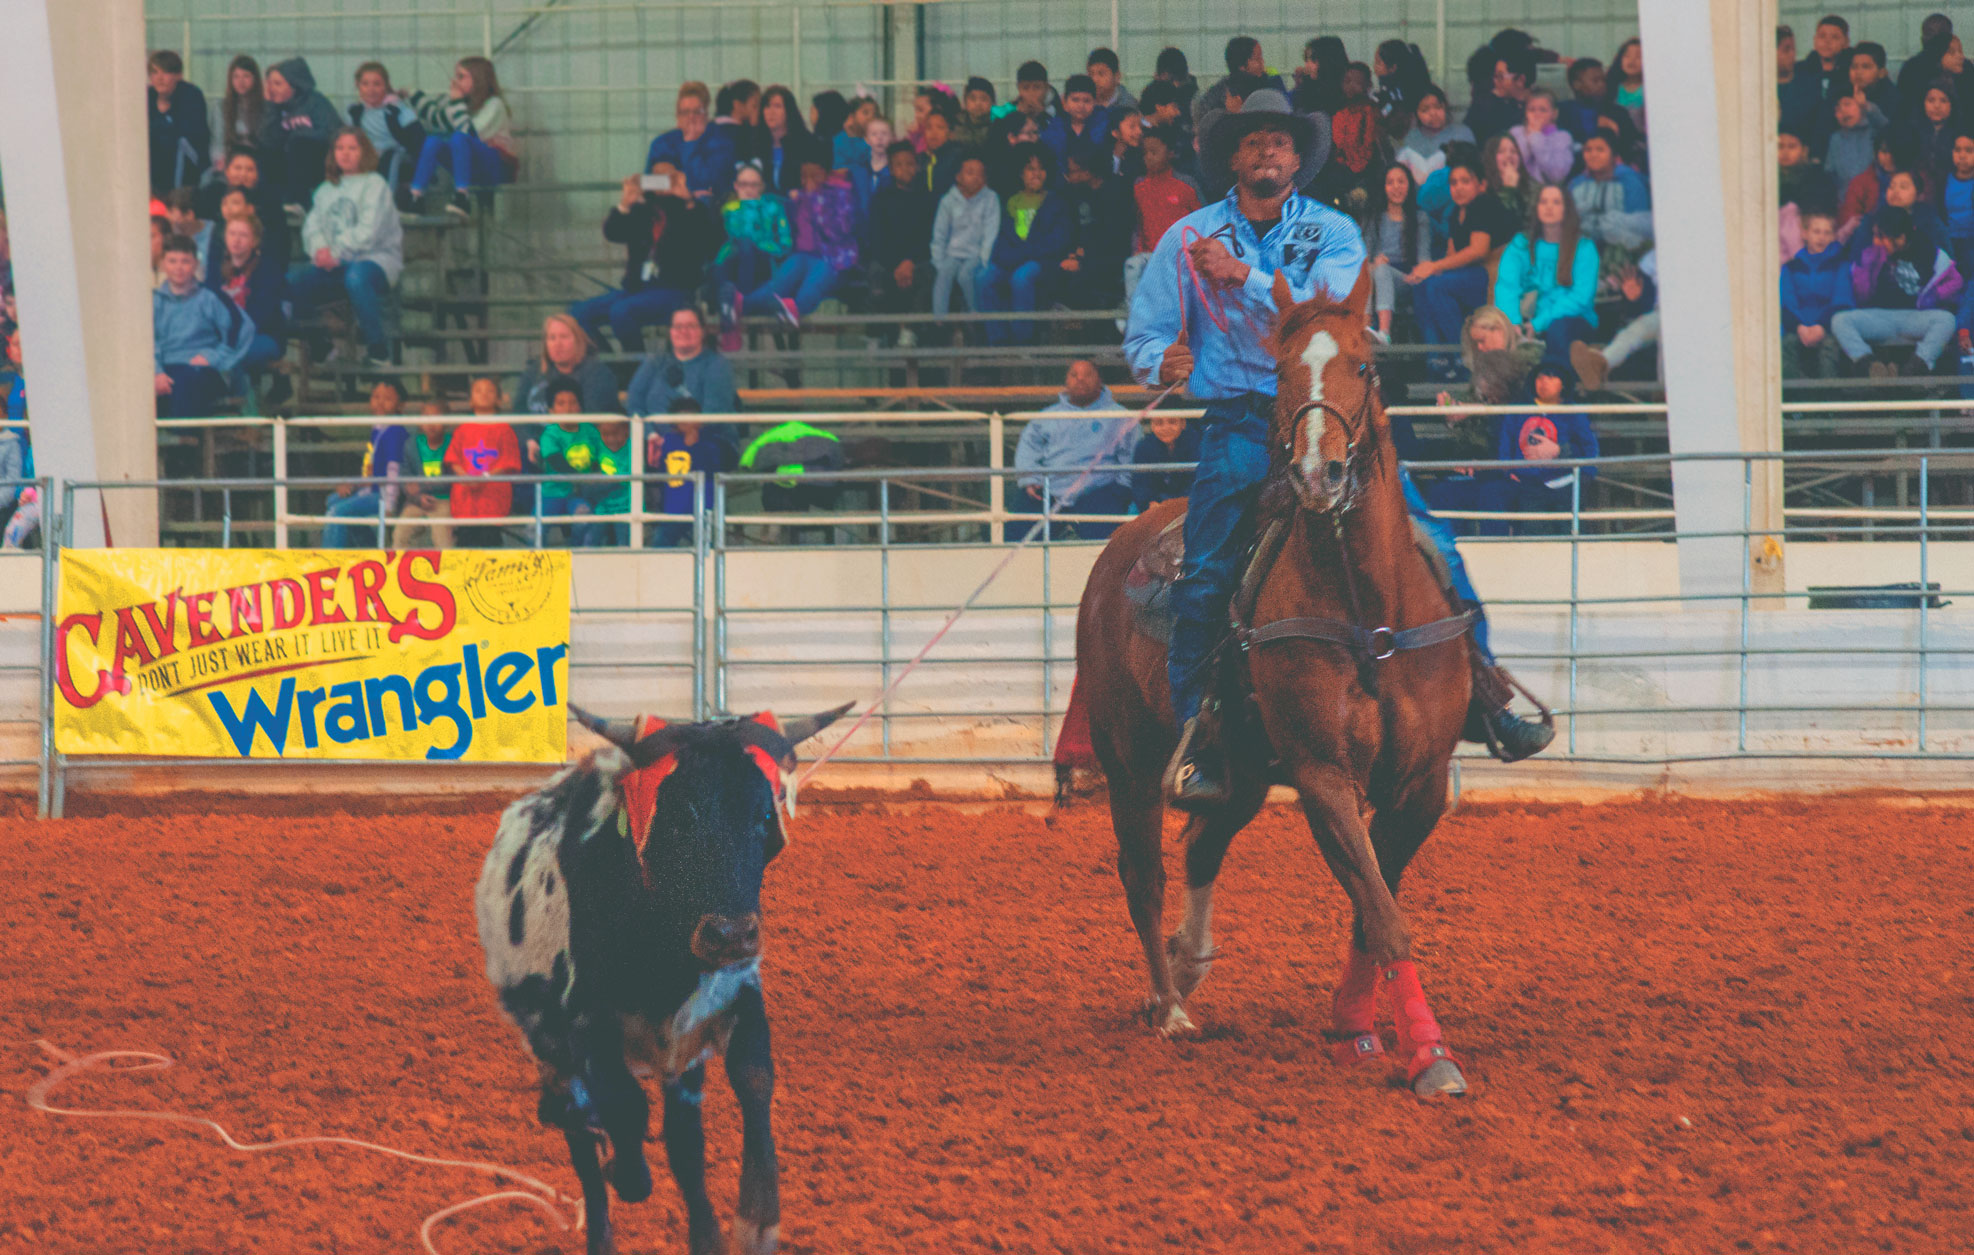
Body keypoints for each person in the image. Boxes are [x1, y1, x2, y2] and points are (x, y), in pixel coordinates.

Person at [1123, 88, 1549, 802]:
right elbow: (1142, 335)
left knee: (1432, 543)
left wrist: (1244, 276)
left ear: (1298, 157)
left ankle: (1488, 691)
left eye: (1280, 141)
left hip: (1334, 411)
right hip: (1240, 417)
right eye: (1253, 140)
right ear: (1233, 155)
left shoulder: (1333, 233)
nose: (1267, 150)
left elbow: (1330, 318)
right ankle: (1200, 735)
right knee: (1204, 572)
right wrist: (1156, 361)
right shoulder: (1183, 239)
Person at [570, 159, 721, 353]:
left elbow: (708, 243)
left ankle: (637, 368)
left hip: (675, 290)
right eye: (656, 179)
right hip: (637, 288)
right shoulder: (643, 210)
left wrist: (688, 201)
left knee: (622, 312)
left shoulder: (691, 211)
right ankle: (613, 366)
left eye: (668, 178)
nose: (663, 184)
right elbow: (613, 233)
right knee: (577, 314)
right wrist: (625, 204)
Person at [289, 128, 404, 365]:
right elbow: (312, 228)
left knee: (356, 277)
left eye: (352, 148)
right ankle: (321, 346)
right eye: (340, 148)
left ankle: (378, 350)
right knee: (292, 281)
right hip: (334, 264)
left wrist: (336, 253)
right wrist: (321, 251)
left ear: (364, 152)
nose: (346, 154)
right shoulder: (325, 190)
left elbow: (369, 231)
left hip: (375, 261)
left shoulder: (375, 184)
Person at [1009, 359, 1138, 540]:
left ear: (1099, 379)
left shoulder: (1121, 416)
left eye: (1087, 375)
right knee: (1018, 532)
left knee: (1103, 547)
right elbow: (1028, 449)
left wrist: (1120, 488)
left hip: (1099, 490)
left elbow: (1132, 456)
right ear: (1066, 381)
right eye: (1074, 375)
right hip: (1050, 490)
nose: (1080, 380)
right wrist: (1030, 478)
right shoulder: (1047, 416)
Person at [1411, 148, 1514, 374]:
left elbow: (1478, 250)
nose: (1458, 187)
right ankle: (1436, 358)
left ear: (1481, 185)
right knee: (1423, 286)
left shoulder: (1483, 205)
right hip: (1472, 275)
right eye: (1454, 183)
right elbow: (1451, 256)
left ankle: (1463, 356)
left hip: (1493, 276)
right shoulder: (1456, 213)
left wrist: (1434, 267)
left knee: (1438, 285)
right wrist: (1426, 272)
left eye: (1465, 181)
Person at [1831, 206, 1961, 376]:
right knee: (1840, 320)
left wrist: (1935, 296)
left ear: (1899, 237)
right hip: (1879, 316)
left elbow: (1956, 281)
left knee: (1947, 320)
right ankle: (1871, 367)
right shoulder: (1873, 252)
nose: (1876, 241)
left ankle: (1915, 368)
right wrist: (1865, 267)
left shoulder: (1928, 251)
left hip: (1914, 316)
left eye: (1882, 237)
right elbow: (1862, 296)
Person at [741, 155, 857, 325]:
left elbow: (839, 232)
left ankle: (793, 310)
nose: (808, 181)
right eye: (804, 176)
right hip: (803, 256)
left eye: (815, 175)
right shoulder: (799, 199)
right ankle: (740, 305)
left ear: (826, 175)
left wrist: (815, 201)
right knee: (779, 283)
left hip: (833, 260)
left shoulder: (841, 195)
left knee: (810, 288)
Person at [977, 143, 1073, 346]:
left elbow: (1058, 241)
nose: (1036, 174)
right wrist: (1015, 256)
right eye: (1030, 169)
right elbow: (1000, 239)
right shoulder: (1010, 202)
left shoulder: (1056, 202)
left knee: (1022, 277)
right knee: (984, 277)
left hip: (1043, 262)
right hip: (1013, 259)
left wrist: (1023, 254)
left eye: (1041, 168)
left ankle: (1023, 340)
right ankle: (997, 340)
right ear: (1021, 173)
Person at [1493, 184, 1601, 358]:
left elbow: (1581, 297)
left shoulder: (1584, 248)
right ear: (1536, 208)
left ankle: (1555, 380)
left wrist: (1538, 323)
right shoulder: (1521, 244)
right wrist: (1513, 322)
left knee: (1559, 331)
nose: (1549, 207)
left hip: (1571, 319)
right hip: (1525, 319)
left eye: (1556, 202)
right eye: (1544, 202)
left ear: (1567, 209)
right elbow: (1507, 286)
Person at [154, 235, 255, 419]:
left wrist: (214, 357)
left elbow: (242, 329)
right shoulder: (153, 302)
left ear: (195, 264)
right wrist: (156, 372)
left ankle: (185, 444)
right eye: (172, 261)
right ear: (162, 264)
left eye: (185, 261)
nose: (178, 267)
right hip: (164, 367)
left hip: (200, 368)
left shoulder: (211, 298)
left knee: (186, 385)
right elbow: (145, 343)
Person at [1494, 358, 1598, 533]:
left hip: (1566, 485)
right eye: (1540, 378)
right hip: (1528, 485)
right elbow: (1506, 444)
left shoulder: (1573, 412)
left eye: (1551, 378)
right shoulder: (1518, 410)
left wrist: (1561, 451)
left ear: (1563, 384)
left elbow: (1589, 450)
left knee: (1568, 535)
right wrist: (1509, 471)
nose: (1544, 383)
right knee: (1534, 538)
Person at [407, 56, 515, 217]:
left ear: (478, 79)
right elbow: (436, 119)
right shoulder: (461, 105)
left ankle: (462, 196)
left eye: (461, 76)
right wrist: (413, 95)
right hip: (471, 164)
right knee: (433, 140)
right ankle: (416, 197)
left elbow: (470, 133)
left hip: (496, 165)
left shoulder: (494, 105)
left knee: (458, 138)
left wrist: (456, 103)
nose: (455, 81)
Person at [626, 307, 741, 443]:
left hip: (704, 446)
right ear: (670, 331)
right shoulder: (654, 362)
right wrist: (651, 436)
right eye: (678, 326)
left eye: (691, 326)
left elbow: (714, 413)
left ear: (703, 331)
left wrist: (675, 442)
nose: (684, 332)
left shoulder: (717, 364)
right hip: (655, 445)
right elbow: (634, 404)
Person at [206, 211, 287, 400]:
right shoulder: (214, 269)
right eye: (232, 234)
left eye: (243, 235)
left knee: (232, 356)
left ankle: (249, 415)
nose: (236, 240)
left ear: (255, 241)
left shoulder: (268, 269)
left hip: (261, 336)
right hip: (223, 338)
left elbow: (262, 314)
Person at [711, 162, 793, 347]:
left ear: (762, 186)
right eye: (743, 184)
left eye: (753, 185)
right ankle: (729, 305)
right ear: (736, 186)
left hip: (762, 262)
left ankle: (734, 307)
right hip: (732, 261)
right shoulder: (728, 209)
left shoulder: (773, 207)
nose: (748, 189)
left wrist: (760, 244)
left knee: (746, 245)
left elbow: (785, 244)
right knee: (719, 263)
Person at [322, 379, 410, 547]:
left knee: (337, 512)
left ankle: (330, 559)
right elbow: (370, 471)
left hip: (383, 495)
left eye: (388, 399)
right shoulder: (378, 428)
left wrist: (390, 505)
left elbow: (394, 470)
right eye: (376, 397)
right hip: (371, 489)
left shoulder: (395, 431)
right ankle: (367, 547)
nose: (380, 403)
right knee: (332, 501)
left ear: (401, 405)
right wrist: (354, 485)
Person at [865, 141, 937, 334]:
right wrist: (897, 264)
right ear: (891, 168)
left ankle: (911, 331)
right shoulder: (881, 199)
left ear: (917, 166)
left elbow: (930, 238)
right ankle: (878, 335)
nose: (905, 169)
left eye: (909, 163)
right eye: (899, 164)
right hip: (889, 261)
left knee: (930, 274)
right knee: (876, 273)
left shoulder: (927, 199)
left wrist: (910, 262)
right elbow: (878, 238)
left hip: (918, 261)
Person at [647, 398, 736, 547]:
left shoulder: (709, 442)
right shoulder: (668, 442)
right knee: (660, 542)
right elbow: (662, 474)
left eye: (692, 417)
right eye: (682, 418)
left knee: (706, 545)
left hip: (702, 509)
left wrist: (693, 447)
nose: (687, 422)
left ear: (700, 421)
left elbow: (711, 469)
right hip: (673, 509)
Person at [446, 377, 523, 546]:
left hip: (492, 495)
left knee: (490, 541)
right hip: (466, 494)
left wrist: (484, 476)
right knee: (465, 542)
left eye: (490, 391)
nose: (484, 394)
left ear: (499, 399)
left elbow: (508, 462)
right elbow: (453, 459)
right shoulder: (462, 428)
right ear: (470, 400)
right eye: (478, 390)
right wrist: (466, 477)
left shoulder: (504, 429)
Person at [259, 58, 343, 210]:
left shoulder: (316, 102)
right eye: (269, 84)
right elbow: (267, 139)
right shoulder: (273, 108)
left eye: (277, 84)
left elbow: (332, 133)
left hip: (318, 162)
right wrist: (270, 107)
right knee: (266, 152)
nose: (271, 89)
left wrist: (298, 135)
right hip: (286, 166)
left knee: (299, 144)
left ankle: (298, 202)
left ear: (294, 86)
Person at [1361, 163, 1432, 341]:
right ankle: (1365, 328)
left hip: (1405, 279)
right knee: (1371, 271)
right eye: (1390, 183)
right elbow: (1363, 258)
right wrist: (1373, 263)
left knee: (1382, 270)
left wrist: (1418, 273)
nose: (1396, 187)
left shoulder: (1419, 218)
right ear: (1383, 188)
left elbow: (1425, 259)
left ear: (1409, 185)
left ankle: (1384, 333)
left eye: (1401, 182)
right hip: (1375, 275)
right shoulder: (1374, 218)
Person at [1568, 250, 1658, 390]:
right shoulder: (1655, 257)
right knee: (1635, 331)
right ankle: (1598, 365)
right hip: (1663, 316)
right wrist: (1636, 298)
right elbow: (1642, 306)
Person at [1778, 212, 1852, 379]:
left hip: (1828, 327)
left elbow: (1842, 300)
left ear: (1833, 236)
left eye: (1827, 233)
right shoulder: (1791, 267)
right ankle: (1797, 399)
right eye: (1816, 232)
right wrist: (1800, 327)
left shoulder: (1840, 264)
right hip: (1798, 328)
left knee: (1830, 346)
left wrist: (1821, 326)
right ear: (1805, 233)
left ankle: (1828, 399)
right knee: (1787, 344)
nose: (1821, 237)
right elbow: (1786, 303)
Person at [930, 154, 1001, 323]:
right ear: (958, 177)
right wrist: (938, 260)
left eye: (980, 174)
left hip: (976, 254)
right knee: (944, 273)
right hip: (953, 253)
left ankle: (974, 312)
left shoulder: (990, 198)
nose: (976, 177)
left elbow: (991, 231)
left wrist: (984, 258)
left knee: (965, 275)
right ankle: (939, 319)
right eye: (970, 172)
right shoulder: (948, 201)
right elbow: (940, 233)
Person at [1059, 153, 1133, 309]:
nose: (1068, 176)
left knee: (1077, 282)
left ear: (1087, 173)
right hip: (1084, 255)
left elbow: (1114, 236)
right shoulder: (1076, 193)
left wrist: (1082, 257)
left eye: (1072, 171)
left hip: (1110, 257)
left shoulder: (1116, 193)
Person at [645, 82, 735, 206]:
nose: (691, 117)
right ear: (677, 116)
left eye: (697, 112)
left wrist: (690, 143)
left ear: (706, 115)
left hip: (708, 211)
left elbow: (710, 182)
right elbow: (647, 183)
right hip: (668, 209)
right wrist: (671, 182)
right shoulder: (662, 143)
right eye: (685, 112)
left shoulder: (721, 141)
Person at [348, 61, 425, 202]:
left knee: (391, 158)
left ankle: (386, 203)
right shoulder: (357, 112)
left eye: (377, 84)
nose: (371, 89)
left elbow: (418, 137)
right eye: (365, 84)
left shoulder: (395, 108)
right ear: (358, 86)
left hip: (398, 155)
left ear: (386, 86)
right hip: (371, 154)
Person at [515, 313, 620, 415]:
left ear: (578, 341)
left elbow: (594, 419)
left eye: (564, 337)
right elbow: (519, 414)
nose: (558, 344)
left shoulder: (598, 374)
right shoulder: (533, 371)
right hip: (537, 433)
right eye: (552, 338)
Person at [537, 378, 603, 542]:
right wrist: (581, 478)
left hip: (579, 495)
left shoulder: (589, 430)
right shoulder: (550, 433)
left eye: (573, 403)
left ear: (580, 407)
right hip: (552, 493)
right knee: (534, 529)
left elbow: (598, 458)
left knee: (585, 520)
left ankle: (576, 556)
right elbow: (555, 461)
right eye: (561, 404)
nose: (568, 408)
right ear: (551, 410)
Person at [1569, 133, 1655, 256]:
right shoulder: (1576, 184)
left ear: (1613, 155)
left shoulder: (1630, 182)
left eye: (1600, 150)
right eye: (1588, 150)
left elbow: (1637, 223)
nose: (1593, 155)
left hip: (1624, 251)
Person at [148, 50, 210, 194]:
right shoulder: (147, 97)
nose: (160, 78)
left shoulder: (191, 96)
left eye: (166, 72)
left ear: (178, 76)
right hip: (152, 176)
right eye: (155, 72)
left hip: (185, 177)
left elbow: (188, 138)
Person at [394, 405, 455, 550]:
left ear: (446, 423)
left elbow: (451, 478)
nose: (431, 423)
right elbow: (405, 474)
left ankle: (447, 569)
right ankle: (400, 569)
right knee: (400, 534)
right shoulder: (412, 444)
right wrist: (417, 496)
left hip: (444, 500)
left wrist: (420, 486)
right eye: (426, 417)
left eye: (437, 418)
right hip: (418, 500)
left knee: (442, 539)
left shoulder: (452, 443)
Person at [1395, 86, 1474, 184]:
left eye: (1438, 107)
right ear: (1416, 114)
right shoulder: (1411, 139)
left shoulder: (1462, 134)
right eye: (1425, 110)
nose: (1433, 113)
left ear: (1445, 106)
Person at [749, 85, 813, 194]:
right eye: (767, 106)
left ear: (788, 111)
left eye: (777, 106)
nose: (771, 112)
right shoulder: (754, 142)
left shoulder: (806, 142)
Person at [1131, 410, 1200, 511]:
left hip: (1187, 504)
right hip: (1156, 505)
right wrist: (1150, 502)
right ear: (1152, 425)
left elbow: (1196, 482)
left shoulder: (1197, 444)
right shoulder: (1144, 446)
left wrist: (1176, 506)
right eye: (1159, 423)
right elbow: (1140, 483)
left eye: (1172, 422)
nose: (1165, 428)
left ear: (1183, 423)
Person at [1042, 74, 1111, 174]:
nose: (1081, 106)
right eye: (1075, 100)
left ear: (1095, 102)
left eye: (1087, 101)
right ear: (1064, 102)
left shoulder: (1104, 124)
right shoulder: (1054, 129)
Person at [1465, 46, 1532, 146]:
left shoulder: (1539, 105)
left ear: (1520, 80)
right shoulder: (1484, 107)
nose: (1495, 82)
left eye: (1500, 77)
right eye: (1495, 76)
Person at [209, 55, 265, 174]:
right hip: (229, 162)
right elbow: (217, 140)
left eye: (246, 76)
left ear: (255, 79)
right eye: (236, 77)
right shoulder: (220, 106)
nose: (241, 82)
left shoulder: (265, 107)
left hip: (257, 163)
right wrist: (221, 162)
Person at [1509, 88, 1574, 186]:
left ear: (1554, 114)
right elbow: (1516, 164)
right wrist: (1531, 135)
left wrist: (1536, 137)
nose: (1537, 114)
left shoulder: (1563, 138)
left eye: (1543, 110)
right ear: (1525, 112)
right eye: (1531, 109)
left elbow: (1557, 175)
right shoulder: (1516, 132)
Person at [1825, 93, 1882, 192]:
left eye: (1847, 104)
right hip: (1845, 199)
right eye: (1838, 109)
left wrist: (1869, 107)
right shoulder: (1836, 139)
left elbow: (1888, 127)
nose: (1843, 111)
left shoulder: (1875, 132)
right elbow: (1830, 172)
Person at [162, 188, 217, 282]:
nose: (166, 215)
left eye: (171, 211)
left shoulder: (214, 231)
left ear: (189, 214)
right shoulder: (169, 234)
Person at [1480, 132, 1534, 223]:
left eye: (1513, 151)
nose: (1509, 155)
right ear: (1492, 157)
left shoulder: (1530, 187)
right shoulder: (1483, 188)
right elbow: (1498, 221)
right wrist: (1508, 189)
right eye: (1501, 151)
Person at [1608, 37, 1647, 140]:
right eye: (1627, 56)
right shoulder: (1612, 86)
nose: (1632, 60)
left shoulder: (1648, 89)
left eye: (1639, 56)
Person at [1087, 47, 1137, 114]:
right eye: (1091, 74)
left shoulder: (1127, 105)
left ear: (1117, 77)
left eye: (1101, 74)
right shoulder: (1084, 101)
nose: (1095, 79)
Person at [953, 78, 998, 150]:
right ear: (965, 101)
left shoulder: (998, 127)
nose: (978, 104)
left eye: (984, 99)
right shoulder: (955, 125)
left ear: (992, 102)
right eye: (972, 98)